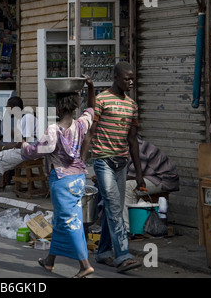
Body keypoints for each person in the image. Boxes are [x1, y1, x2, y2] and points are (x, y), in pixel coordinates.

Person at [21, 76, 95, 278]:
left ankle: (85, 264)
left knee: (69, 222)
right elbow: (91, 110)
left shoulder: (54, 130)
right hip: (79, 179)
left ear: (58, 109)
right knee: (64, 221)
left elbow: (36, 151)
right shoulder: (81, 125)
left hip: (62, 181)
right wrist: (91, 88)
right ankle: (49, 261)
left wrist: (24, 146)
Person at [81, 61, 146, 273]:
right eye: (126, 78)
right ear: (116, 78)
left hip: (122, 162)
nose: (130, 82)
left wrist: (139, 175)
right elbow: (90, 133)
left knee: (113, 208)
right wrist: (82, 162)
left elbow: (133, 141)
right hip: (103, 161)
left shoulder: (132, 105)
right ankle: (123, 255)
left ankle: (103, 252)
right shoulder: (101, 100)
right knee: (115, 207)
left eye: (132, 78)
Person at [0, 96, 37, 208]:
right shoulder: (19, 120)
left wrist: (0, 148)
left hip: (29, 151)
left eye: (7, 107)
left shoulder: (28, 117)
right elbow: (16, 143)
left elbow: (21, 144)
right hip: (21, 149)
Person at [123, 136, 179, 232]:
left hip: (164, 180)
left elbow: (134, 174)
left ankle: (129, 229)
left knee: (127, 187)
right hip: (151, 177)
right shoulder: (129, 147)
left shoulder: (139, 148)